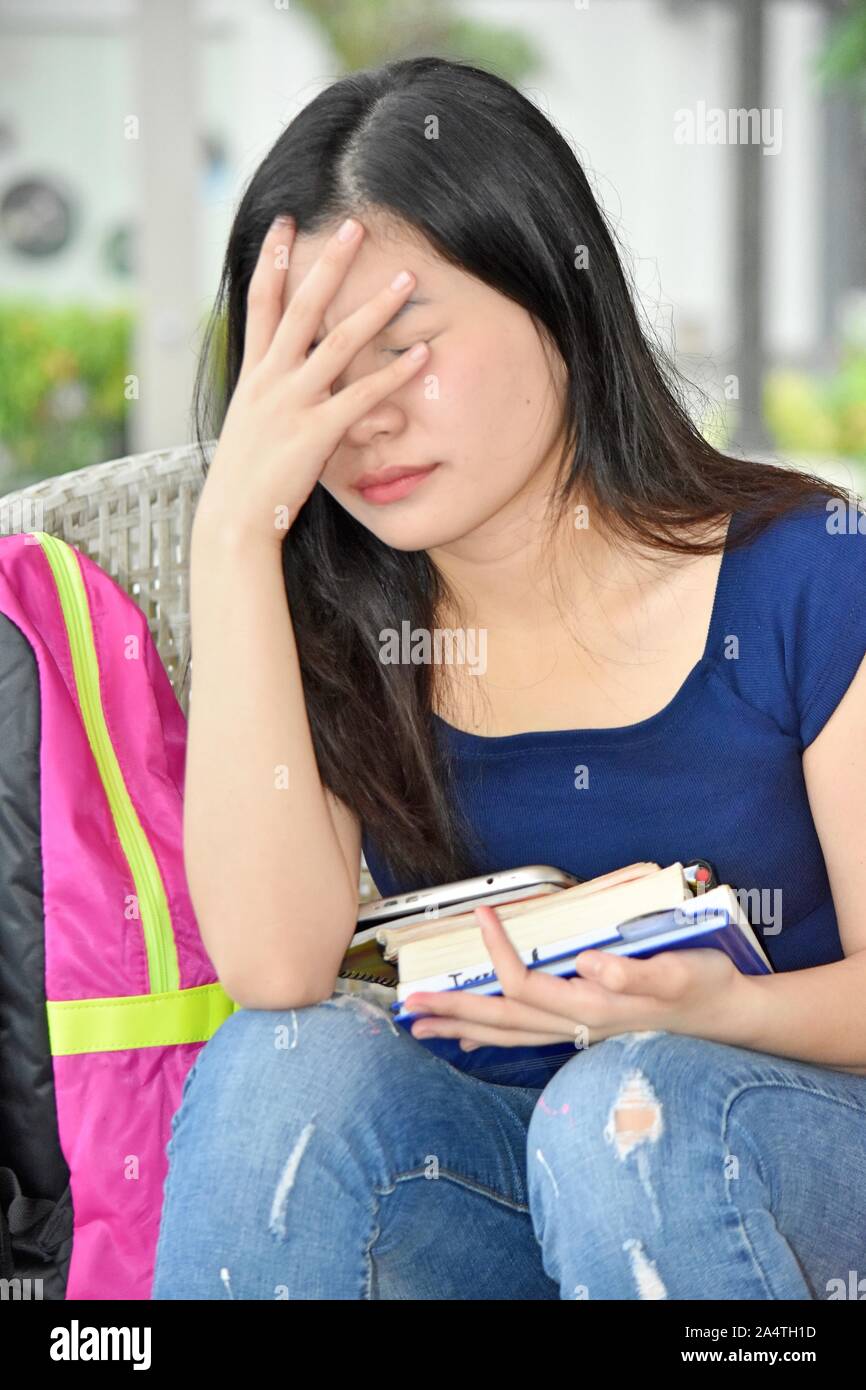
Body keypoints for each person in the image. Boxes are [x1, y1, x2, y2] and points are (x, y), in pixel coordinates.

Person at [151, 56, 866, 1301]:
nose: (359, 417)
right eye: (315, 370)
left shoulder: (808, 573)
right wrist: (232, 537)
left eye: (399, 348)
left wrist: (703, 1014)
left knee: (621, 1107)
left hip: (781, 1177)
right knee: (288, 1064)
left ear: (553, 300)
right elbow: (274, 971)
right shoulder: (333, 621)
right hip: (503, 1202)